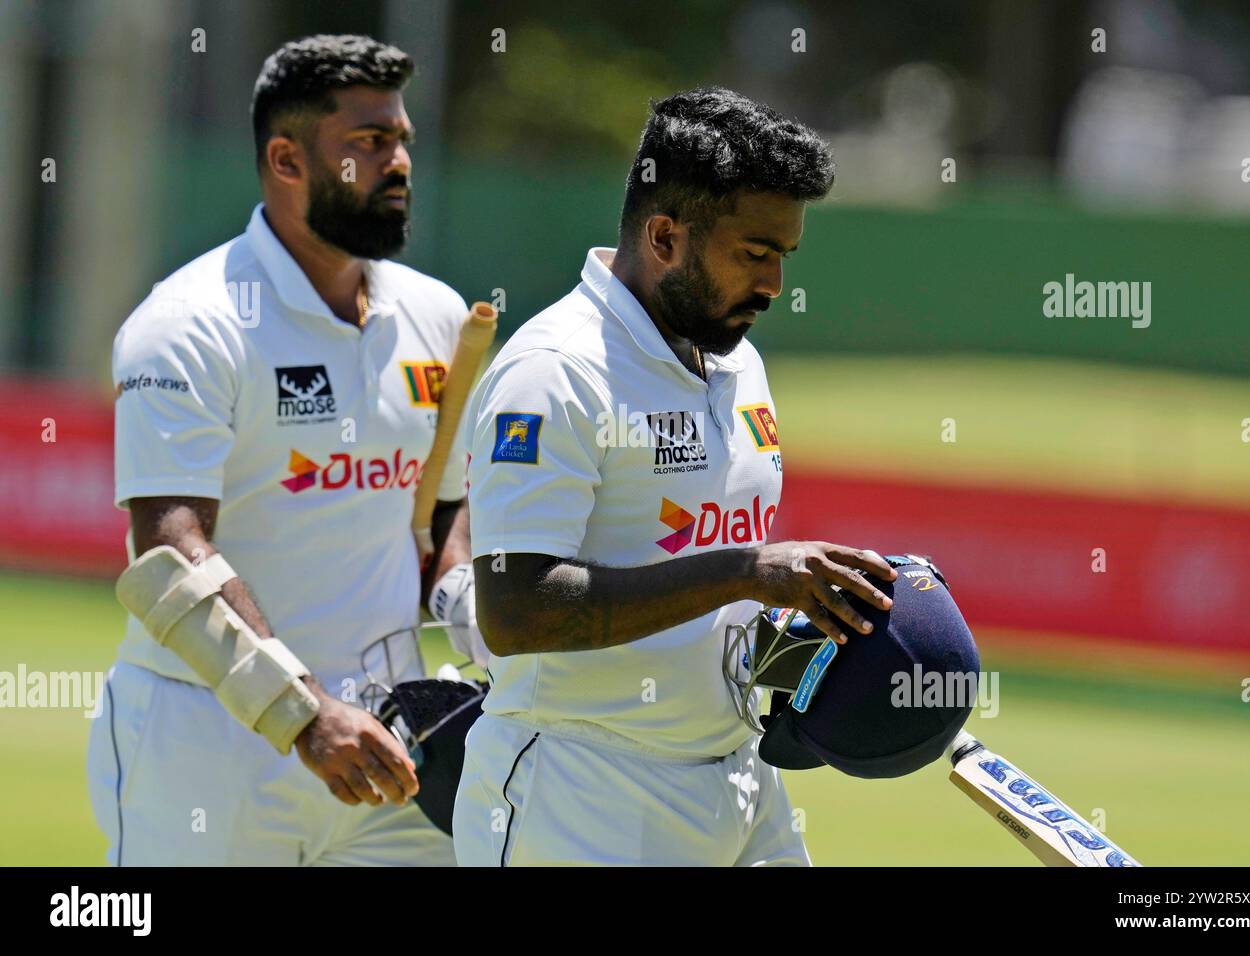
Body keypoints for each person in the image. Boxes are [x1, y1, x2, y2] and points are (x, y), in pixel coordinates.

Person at [453, 87, 897, 866]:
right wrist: (750, 571)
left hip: (741, 781)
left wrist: (838, 649)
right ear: (664, 235)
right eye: (754, 254)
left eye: (784, 257)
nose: (774, 286)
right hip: (579, 798)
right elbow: (515, 611)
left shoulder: (736, 359)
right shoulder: (555, 371)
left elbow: (700, 606)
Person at [87, 34, 485, 866]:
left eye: (403, 138)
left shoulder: (441, 317)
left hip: (392, 740)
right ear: (287, 159)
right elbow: (167, 548)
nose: (401, 161)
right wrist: (302, 712)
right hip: (205, 746)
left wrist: (473, 616)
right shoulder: (187, 323)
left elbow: (443, 513)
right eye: (370, 143)